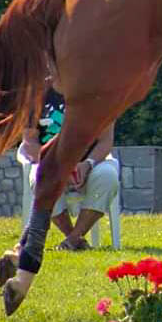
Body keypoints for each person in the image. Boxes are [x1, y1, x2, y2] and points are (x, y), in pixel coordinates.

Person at [18, 87, 120, 251]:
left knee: (108, 176)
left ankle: (72, 240)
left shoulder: (100, 93)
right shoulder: (36, 96)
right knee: (40, 179)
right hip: (51, 163)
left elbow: (105, 141)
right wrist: (58, 166)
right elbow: (29, 143)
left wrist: (87, 165)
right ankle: (74, 238)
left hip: (90, 163)